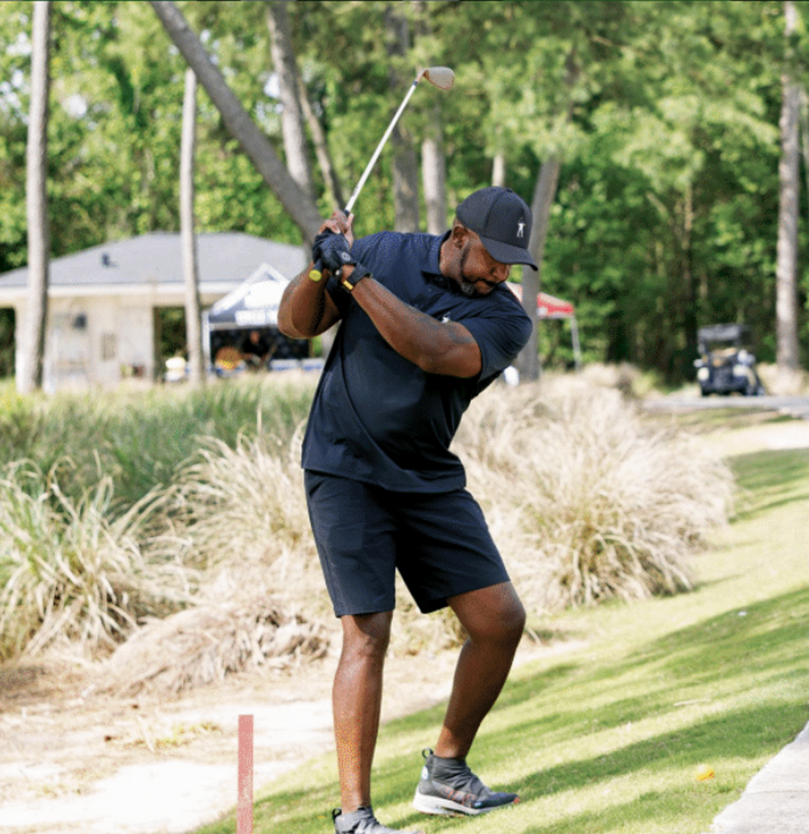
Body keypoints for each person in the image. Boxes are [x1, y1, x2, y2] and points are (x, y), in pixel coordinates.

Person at [278, 187, 536, 834]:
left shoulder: (506, 319)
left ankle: (446, 773)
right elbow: (296, 324)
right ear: (457, 235)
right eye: (491, 257)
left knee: (499, 619)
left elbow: (434, 350)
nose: (500, 273)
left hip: (426, 475)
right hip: (344, 469)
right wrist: (320, 265)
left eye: (512, 262)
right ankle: (354, 817)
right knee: (366, 631)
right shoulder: (385, 251)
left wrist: (353, 273)